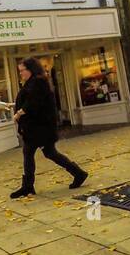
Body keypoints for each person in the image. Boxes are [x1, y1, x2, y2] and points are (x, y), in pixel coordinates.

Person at [10, 57, 87, 198]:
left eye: (22, 71)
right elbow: (29, 100)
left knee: (41, 153)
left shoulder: (38, 82)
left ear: (30, 69)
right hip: (35, 128)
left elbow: (34, 102)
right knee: (39, 153)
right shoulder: (32, 82)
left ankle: (78, 173)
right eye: (19, 71)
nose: (20, 73)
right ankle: (77, 173)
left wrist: (19, 113)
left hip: (40, 128)